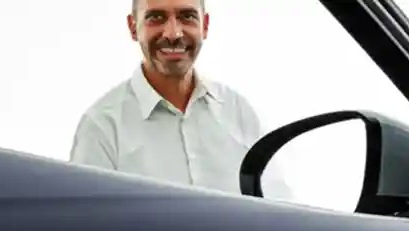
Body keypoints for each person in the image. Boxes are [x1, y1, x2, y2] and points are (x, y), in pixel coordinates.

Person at [70, 0, 289, 198]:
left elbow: (281, 210)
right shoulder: (101, 126)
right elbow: (87, 229)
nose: (173, 33)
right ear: (132, 27)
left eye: (187, 16)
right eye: (156, 17)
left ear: (205, 25)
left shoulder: (238, 110)